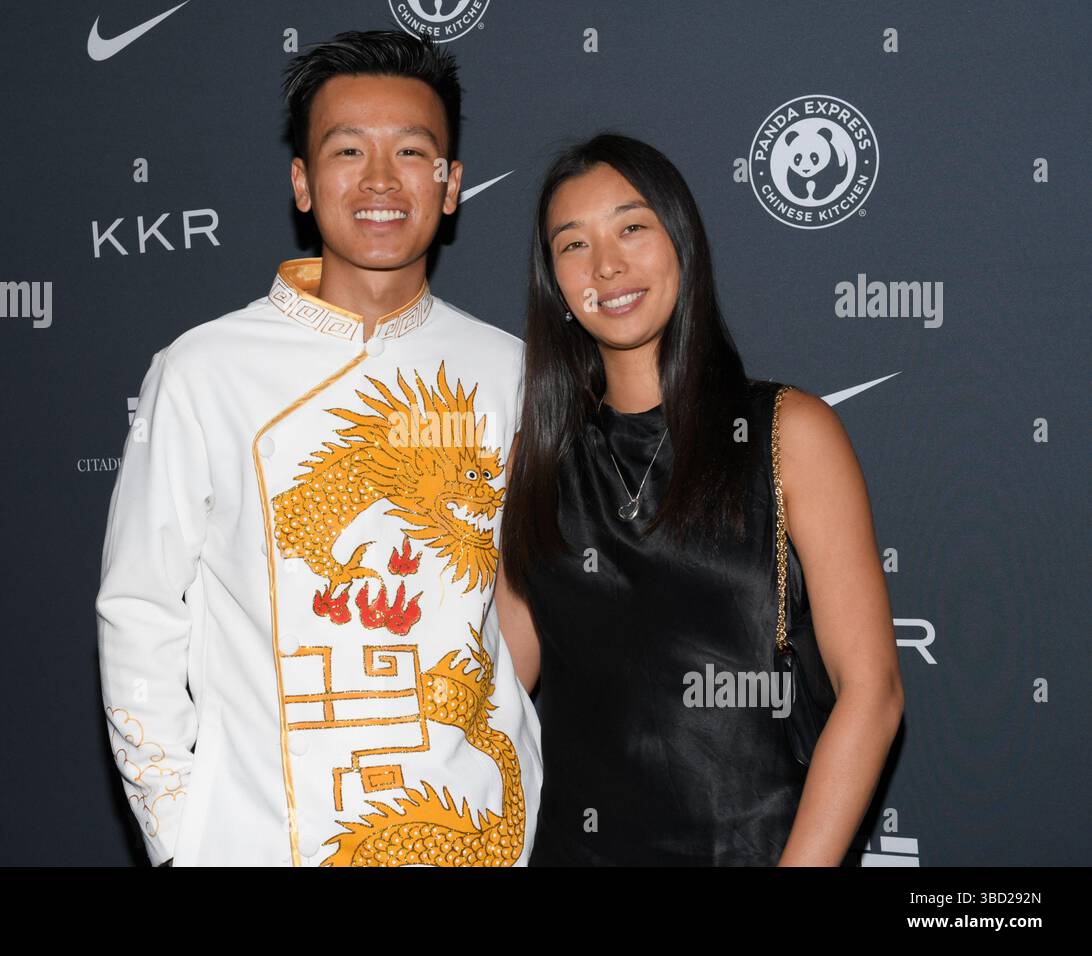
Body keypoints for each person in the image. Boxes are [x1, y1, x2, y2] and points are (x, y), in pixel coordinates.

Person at [96, 30, 541, 867]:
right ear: (303, 182)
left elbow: (517, 602)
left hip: (475, 838)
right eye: (348, 151)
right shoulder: (202, 370)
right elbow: (139, 610)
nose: (380, 180)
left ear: (449, 187)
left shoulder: (510, 370)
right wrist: (180, 835)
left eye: (413, 151)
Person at [493, 133, 904, 866]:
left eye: (631, 227)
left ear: (682, 240)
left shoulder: (790, 432)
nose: (607, 265)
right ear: (554, 281)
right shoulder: (539, 460)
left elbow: (871, 694)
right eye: (572, 245)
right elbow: (499, 683)